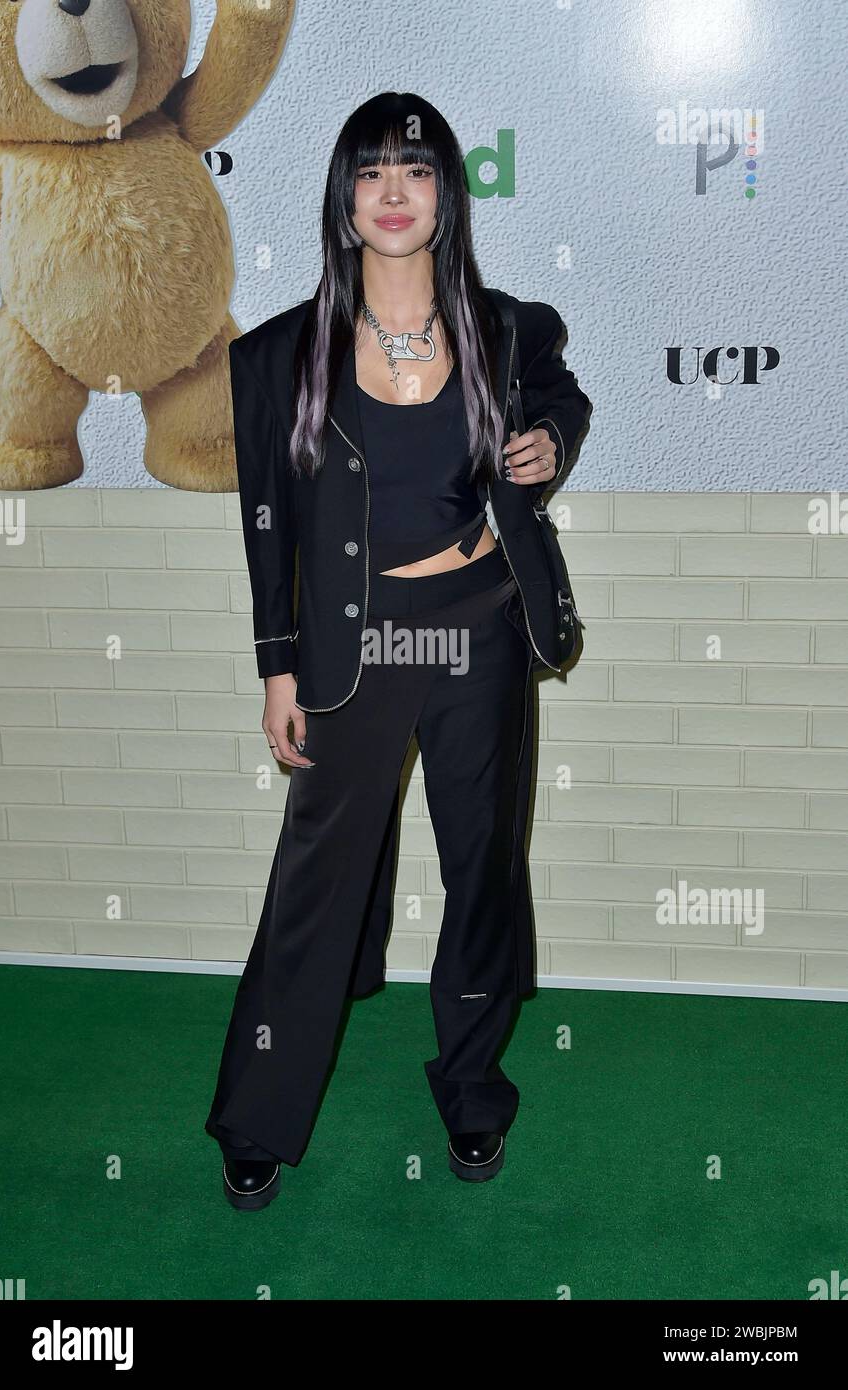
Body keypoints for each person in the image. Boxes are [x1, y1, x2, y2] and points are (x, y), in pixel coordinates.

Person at [205, 91, 592, 1210]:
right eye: (369, 171)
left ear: (444, 195)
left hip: (480, 626)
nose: (391, 191)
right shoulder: (282, 354)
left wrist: (545, 440)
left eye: (414, 172)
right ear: (342, 198)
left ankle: (472, 1092)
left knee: (479, 867)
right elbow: (266, 516)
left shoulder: (503, 327)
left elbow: (559, 393)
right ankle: (259, 1116)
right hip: (352, 644)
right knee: (314, 884)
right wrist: (277, 662)